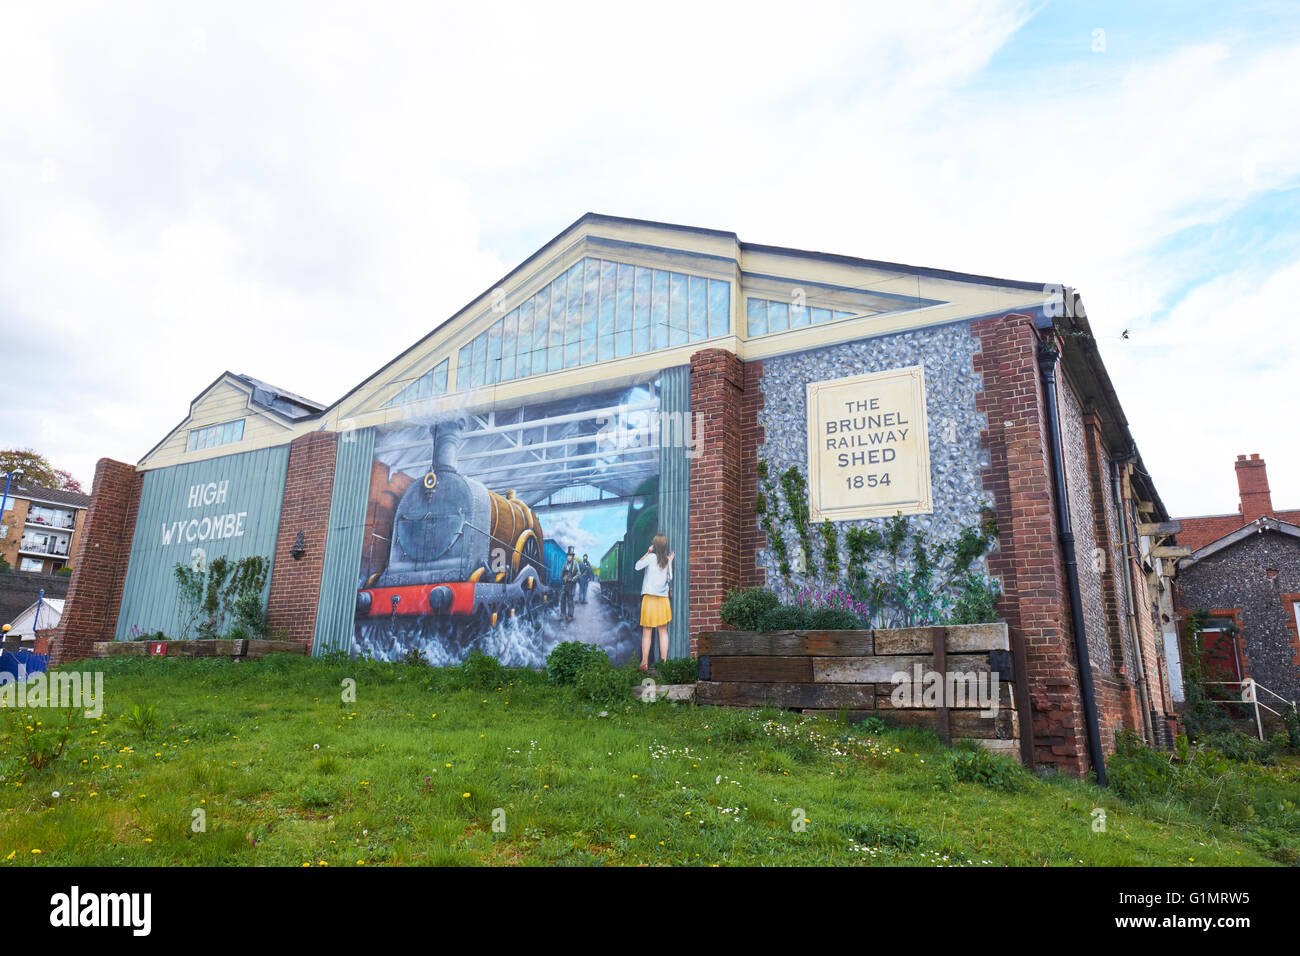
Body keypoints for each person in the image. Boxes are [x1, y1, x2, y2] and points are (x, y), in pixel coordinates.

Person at [634, 533, 673, 672]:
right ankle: (664, 663)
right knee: (663, 632)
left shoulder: (650, 558)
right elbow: (670, 578)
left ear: (654, 546)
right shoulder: (667, 561)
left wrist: (648, 551)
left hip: (650, 599)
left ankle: (644, 663)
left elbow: (637, 566)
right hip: (663, 600)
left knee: (647, 632)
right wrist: (671, 562)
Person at [560, 546, 579, 621]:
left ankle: (570, 615)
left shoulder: (575, 564)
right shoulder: (565, 564)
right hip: (565, 585)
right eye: (568, 556)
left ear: (573, 557)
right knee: (562, 599)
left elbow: (578, 574)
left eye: (570, 556)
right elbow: (561, 574)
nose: (569, 557)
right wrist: (563, 577)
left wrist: (572, 579)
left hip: (571, 585)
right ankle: (563, 614)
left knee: (570, 601)